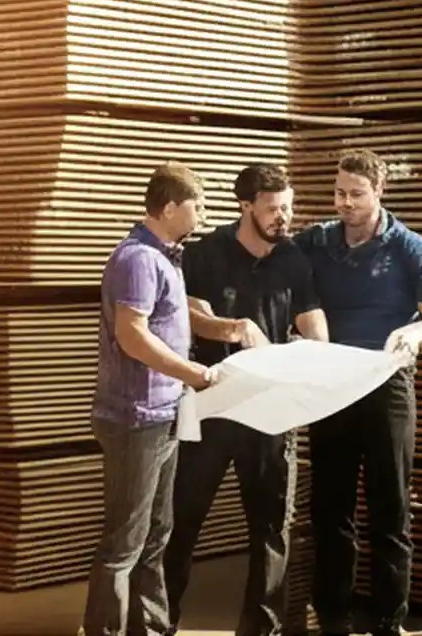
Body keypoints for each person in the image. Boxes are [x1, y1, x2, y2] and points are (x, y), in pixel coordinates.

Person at [162, 164, 330, 636]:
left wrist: (316, 349)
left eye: (288, 207)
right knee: (181, 520)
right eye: (274, 209)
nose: (284, 217)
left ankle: (263, 630)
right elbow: (186, 313)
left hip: (271, 413)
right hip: (212, 406)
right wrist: (230, 328)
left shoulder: (293, 258)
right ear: (246, 206)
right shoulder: (204, 254)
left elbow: (311, 314)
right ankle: (160, 623)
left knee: (271, 529)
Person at [293, 149, 422, 636]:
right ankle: (333, 617)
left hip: (388, 385)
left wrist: (416, 335)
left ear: (379, 192)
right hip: (332, 384)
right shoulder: (316, 242)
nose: (345, 203)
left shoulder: (410, 248)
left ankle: (389, 621)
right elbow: (274, 274)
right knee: (330, 506)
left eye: (356, 195)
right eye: (339, 193)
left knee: (390, 506)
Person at [83, 161, 220, 636]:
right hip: (134, 418)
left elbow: (173, 320)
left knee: (156, 536)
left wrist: (224, 329)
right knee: (125, 541)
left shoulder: (166, 258)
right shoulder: (138, 259)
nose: (202, 214)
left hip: (163, 415)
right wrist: (192, 373)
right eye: (196, 205)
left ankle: (154, 629)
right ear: (167, 208)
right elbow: (133, 336)